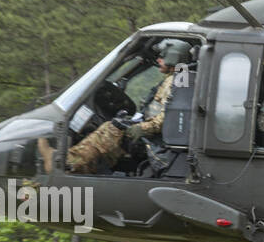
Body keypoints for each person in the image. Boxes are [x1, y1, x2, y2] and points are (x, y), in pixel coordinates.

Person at [66, 40, 190, 174]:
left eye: (163, 56)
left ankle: (68, 165)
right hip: (156, 134)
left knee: (111, 129)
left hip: (157, 141)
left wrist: (142, 128)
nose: (159, 60)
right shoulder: (179, 78)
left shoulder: (176, 81)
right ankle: (83, 167)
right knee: (115, 129)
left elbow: (170, 116)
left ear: (174, 57)